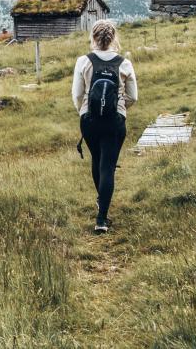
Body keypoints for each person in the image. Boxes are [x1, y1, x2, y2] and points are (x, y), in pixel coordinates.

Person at [72, 19, 137, 234]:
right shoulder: (124, 63)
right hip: (114, 121)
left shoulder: (84, 61)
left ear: (93, 38)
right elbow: (133, 96)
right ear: (113, 38)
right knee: (108, 165)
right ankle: (101, 219)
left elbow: (77, 94)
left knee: (97, 160)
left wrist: (84, 111)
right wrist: (119, 107)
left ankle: (101, 200)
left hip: (89, 120)